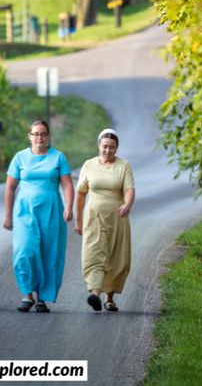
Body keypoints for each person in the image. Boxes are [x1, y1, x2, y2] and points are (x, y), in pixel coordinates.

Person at [3, 119, 74, 313]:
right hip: (24, 210)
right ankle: (27, 294)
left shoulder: (58, 157)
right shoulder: (19, 157)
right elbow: (10, 187)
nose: (39, 137)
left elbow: (67, 184)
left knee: (48, 253)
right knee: (24, 251)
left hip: (51, 209)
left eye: (43, 134)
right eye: (35, 134)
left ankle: (43, 297)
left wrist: (69, 207)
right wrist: (8, 215)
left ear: (48, 136)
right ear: (29, 136)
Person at [75, 128, 135, 312]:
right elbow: (81, 193)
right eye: (105, 146)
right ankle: (95, 293)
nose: (108, 150)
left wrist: (127, 204)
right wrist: (78, 219)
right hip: (94, 217)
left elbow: (129, 189)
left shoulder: (124, 165)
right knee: (93, 252)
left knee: (117, 256)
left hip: (117, 217)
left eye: (112, 147)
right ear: (99, 146)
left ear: (116, 148)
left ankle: (109, 299)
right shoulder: (89, 165)